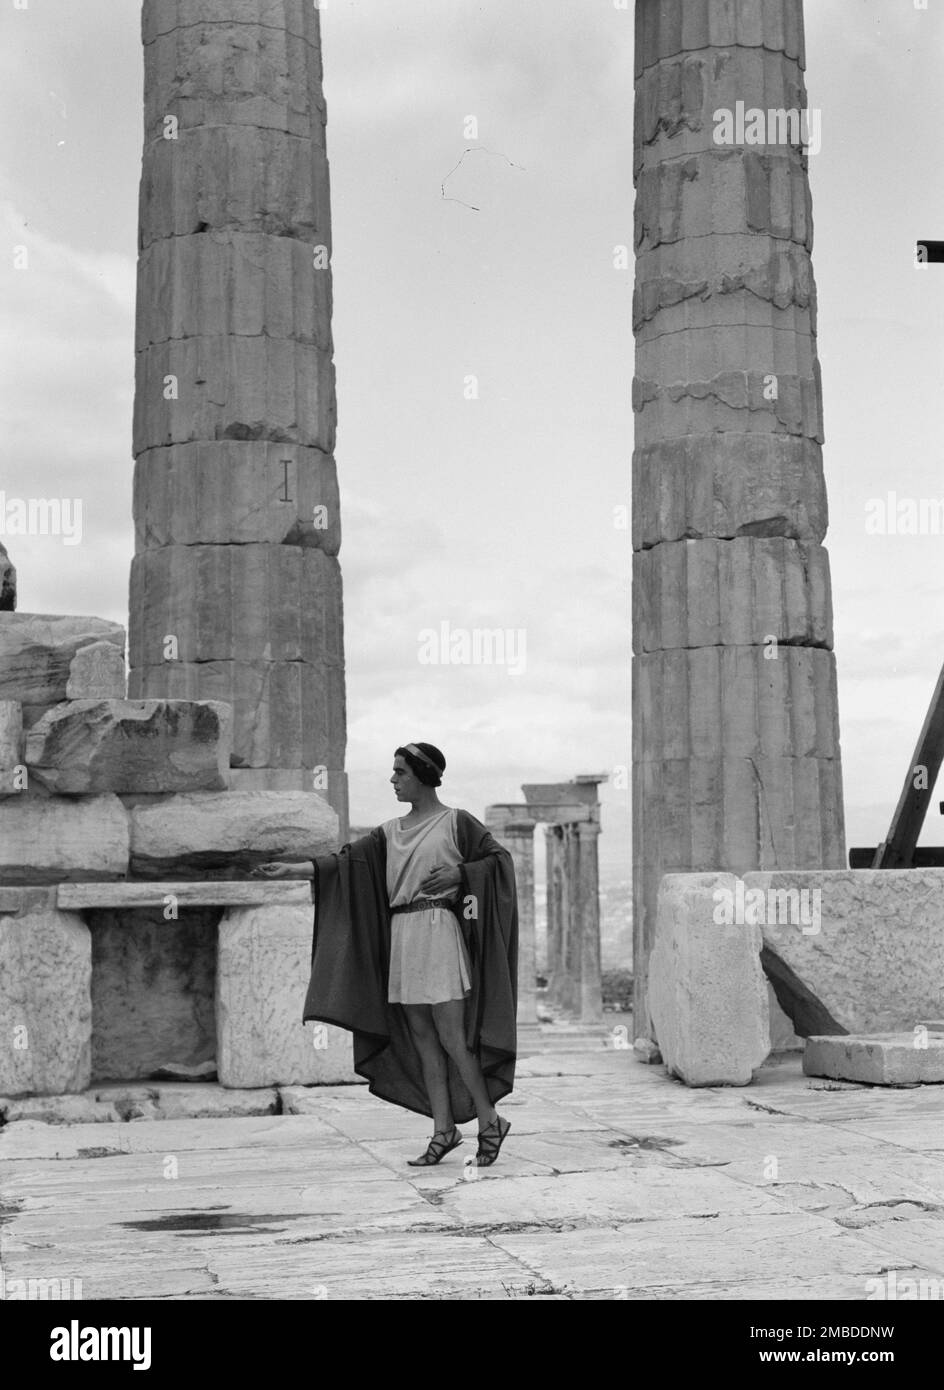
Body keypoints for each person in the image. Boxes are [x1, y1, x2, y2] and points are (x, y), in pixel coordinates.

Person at [252, 742, 517, 1167]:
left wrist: (461, 874)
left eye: (400, 773)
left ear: (424, 775)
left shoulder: (456, 823)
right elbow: (345, 863)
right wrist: (292, 869)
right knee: (424, 1040)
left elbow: (499, 863)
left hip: (439, 929)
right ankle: (443, 1130)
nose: (393, 780)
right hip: (404, 933)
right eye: (393, 773)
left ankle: (490, 1121)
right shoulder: (390, 832)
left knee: (452, 1037)